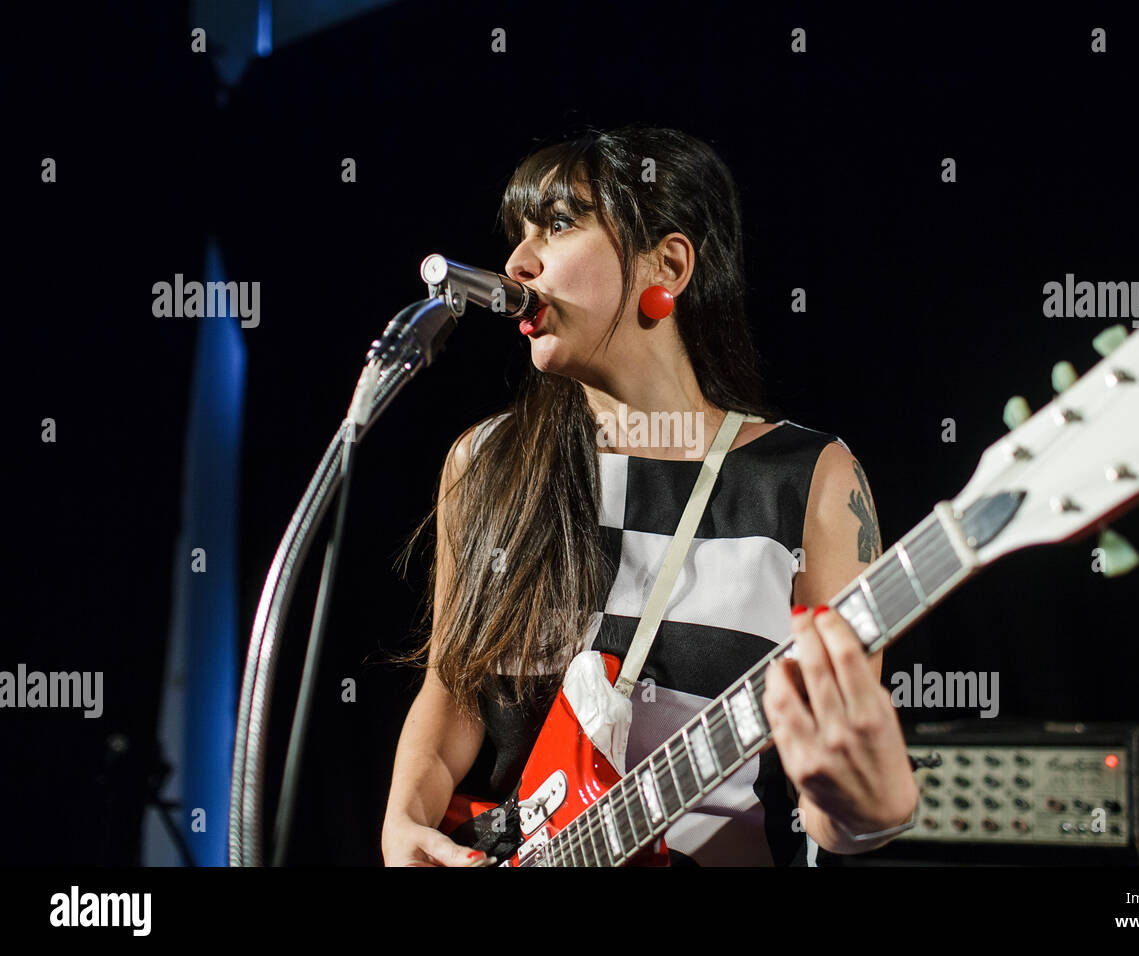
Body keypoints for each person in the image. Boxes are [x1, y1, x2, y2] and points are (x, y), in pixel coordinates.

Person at [381, 126, 918, 867]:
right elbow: (454, 691)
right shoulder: (485, 463)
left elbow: (824, 806)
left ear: (667, 264)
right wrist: (404, 817)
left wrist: (865, 810)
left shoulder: (814, 479)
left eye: (559, 224)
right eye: (519, 233)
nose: (515, 263)